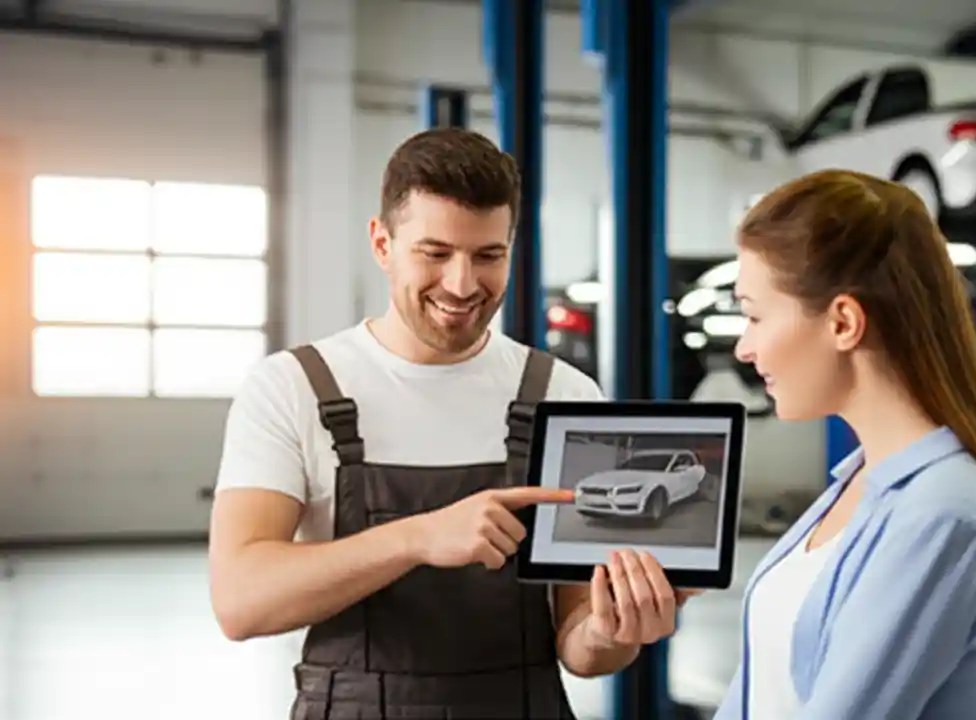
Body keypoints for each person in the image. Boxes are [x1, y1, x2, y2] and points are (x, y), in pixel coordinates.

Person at [208, 128, 688, 719]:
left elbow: (579, 646)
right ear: (382, 243)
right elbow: (241, 601)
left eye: (488, 255)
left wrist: (614, 630)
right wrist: (417, 538)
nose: (463, 285)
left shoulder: (562, 394)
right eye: (434, 254)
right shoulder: (293, 387)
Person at [713, 169, 976, 719]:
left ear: (844, 321)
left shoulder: (942, 514)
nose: (745, 348)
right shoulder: (860, 481)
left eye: (754, 316)